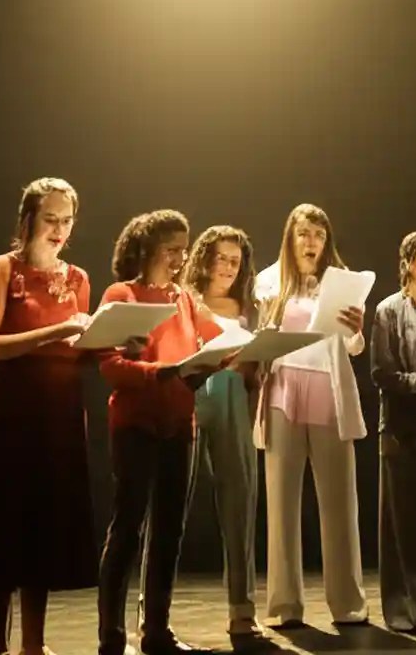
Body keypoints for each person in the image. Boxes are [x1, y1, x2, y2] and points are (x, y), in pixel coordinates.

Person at [0, 178, 98, 655]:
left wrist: (113, 344)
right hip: (14, 415)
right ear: (27, 220)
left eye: (67, 220)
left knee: (44, 530)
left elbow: (76, 350)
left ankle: (33, 646)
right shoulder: (3, 270)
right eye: (51, 218)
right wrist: (55, 330)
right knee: (4, 529)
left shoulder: (78, 278)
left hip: (60, 415)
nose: (60, 229)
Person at [96, 210, 227, 655]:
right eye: (172, 249)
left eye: (183, 249)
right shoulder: (123, 293)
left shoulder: (185, 299)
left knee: (169, 530)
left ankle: (156, 631)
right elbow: (110, 366)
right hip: (136, 425)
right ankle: (111, 637)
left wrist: (220, 357)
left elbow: (214, 343)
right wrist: (160, 372)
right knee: (127, 529)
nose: (180, 257)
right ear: (148, 248)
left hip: (179, 425)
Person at [253, 204, 369, 628]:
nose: (311, 242)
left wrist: (357, 329)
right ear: (291, 237)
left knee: (340, 504)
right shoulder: (268, 281)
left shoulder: (341, 281)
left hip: (327, 391)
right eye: (304, 233)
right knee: (281, 504)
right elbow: (256, 339)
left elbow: (353, 347)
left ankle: (348, 604)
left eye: (318, 235)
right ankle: (285, 606)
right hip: (284, 392)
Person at [168, 225, 268, 644]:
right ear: (204, 258)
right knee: (171, 507)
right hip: (190, 395)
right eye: (220, 257)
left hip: (232, 398)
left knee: (240, 503)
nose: (227, 266)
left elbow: (256, 369)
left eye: (235, 259)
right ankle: (153, 613)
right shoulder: (183, 298)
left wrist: (254, 360)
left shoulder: (250, 306)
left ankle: (242, 611)